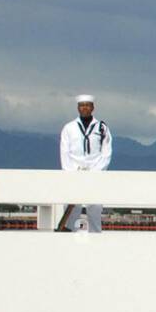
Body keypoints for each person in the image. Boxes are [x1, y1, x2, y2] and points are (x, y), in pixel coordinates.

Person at [59, 93, 112, 231]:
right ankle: (70, 235)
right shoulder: (69, 128)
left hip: (95, 172)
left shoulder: (101, 128)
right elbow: (64, 152)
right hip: (73, 173)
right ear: (78, 108)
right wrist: (70, 172)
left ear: (93, 107)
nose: (84, 108)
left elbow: (106, 152)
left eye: (87, 105)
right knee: (71, 209)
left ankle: (96, 237)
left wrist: (97, 172)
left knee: (94, 208)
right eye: (82, 105)